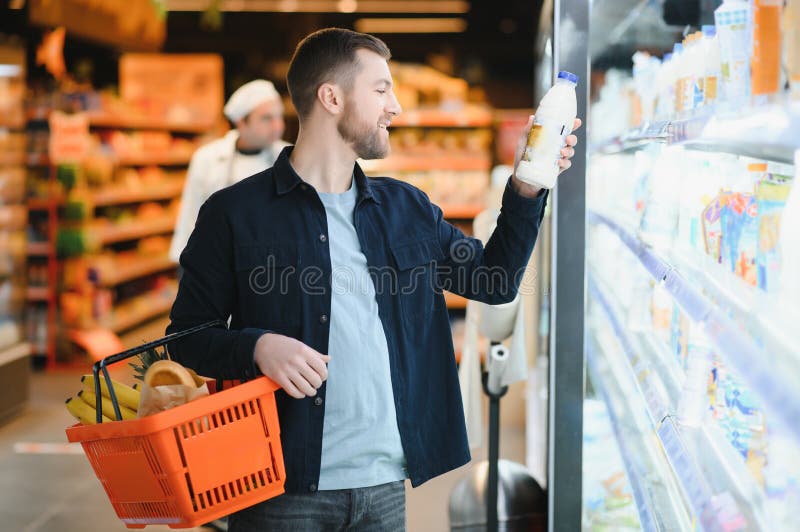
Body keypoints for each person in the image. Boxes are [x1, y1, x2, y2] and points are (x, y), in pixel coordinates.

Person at [167, 28, 579, 531]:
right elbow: (186, 338)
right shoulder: (234, 214)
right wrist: (257, 347)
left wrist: (525, 187)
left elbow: (493, 282)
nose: (396, 106)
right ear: (332, 97)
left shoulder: (405, 207)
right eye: (381, 89)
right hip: (282, 489)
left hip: (383, 488)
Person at [169, 79, 289, 263]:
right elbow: (191, 216)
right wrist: (184, 266)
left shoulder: (291, 158)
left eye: (279, 117)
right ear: (241, 122)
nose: (278, 126)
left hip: (273, 268)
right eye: (267, 118)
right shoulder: (207, 158)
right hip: (219, 264)